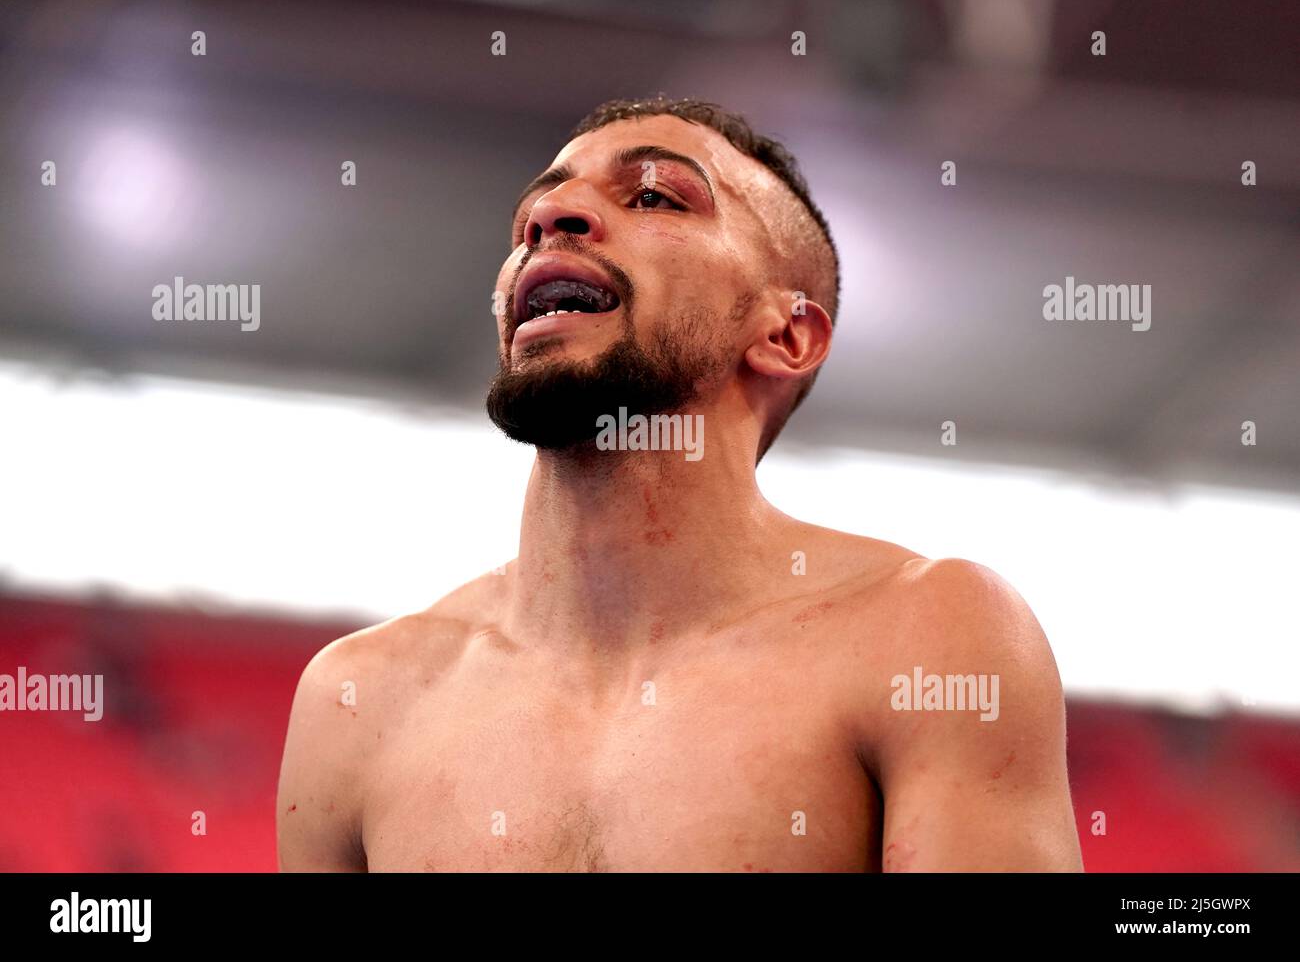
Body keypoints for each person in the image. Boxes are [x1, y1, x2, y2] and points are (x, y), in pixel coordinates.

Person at [277, 96, 1083, 872]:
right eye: (534, 214)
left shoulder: (926, 633)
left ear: (787, 332)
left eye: (655, 196)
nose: (552, 217)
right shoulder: (358, 701)